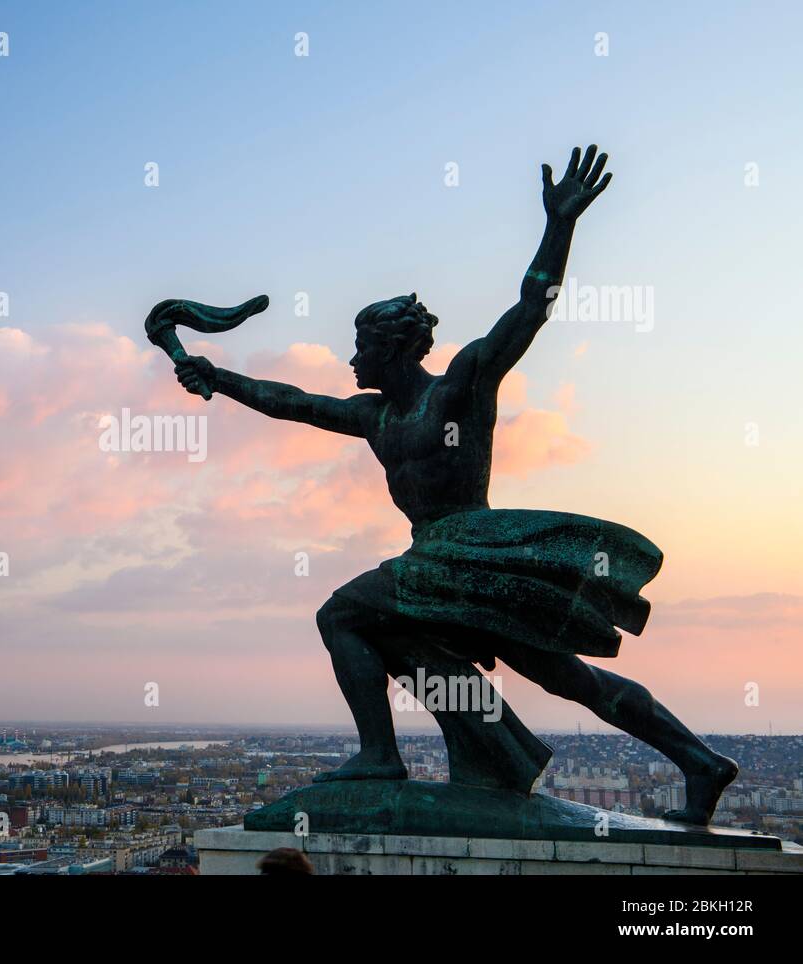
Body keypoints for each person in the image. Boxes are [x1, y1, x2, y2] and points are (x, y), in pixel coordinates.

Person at [170, 146, 736, 824]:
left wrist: (560, 226)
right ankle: (701, 762)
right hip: (436, 556)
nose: (352, 359)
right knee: (565, 676)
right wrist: (218, 377)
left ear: (396, 348)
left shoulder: (460, 388)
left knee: (344, 615)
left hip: (469, 547)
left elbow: (531, 308)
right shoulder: (373, 415)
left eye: (362, 347)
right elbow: (287, 399)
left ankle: (380, 755)